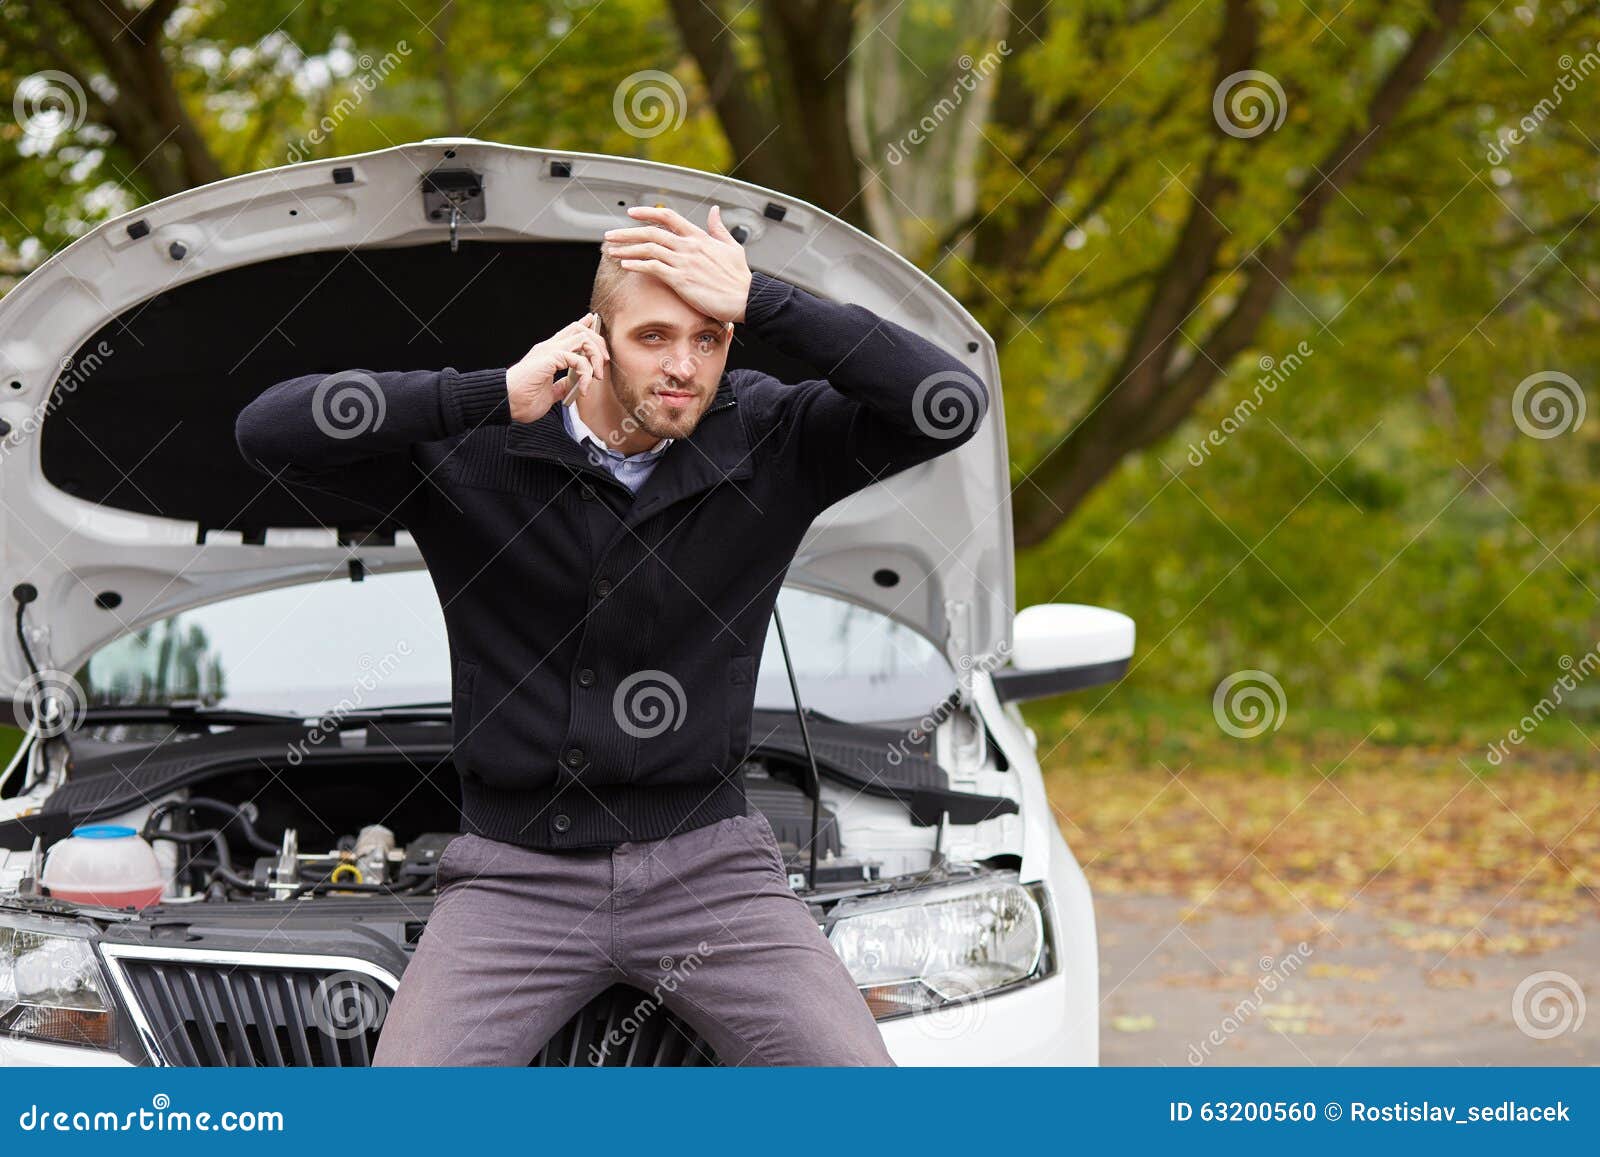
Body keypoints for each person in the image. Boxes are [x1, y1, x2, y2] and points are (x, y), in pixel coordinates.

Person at [234, 204, 989, 1066]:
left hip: (713, 875)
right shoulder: (475, 447)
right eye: (655, 336)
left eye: (710, 339)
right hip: (512, 880)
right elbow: (267, 430)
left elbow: (951, 402)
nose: (683, 366)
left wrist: (766, 300)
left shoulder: (774, 439)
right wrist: (488, 393)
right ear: (593, 337)